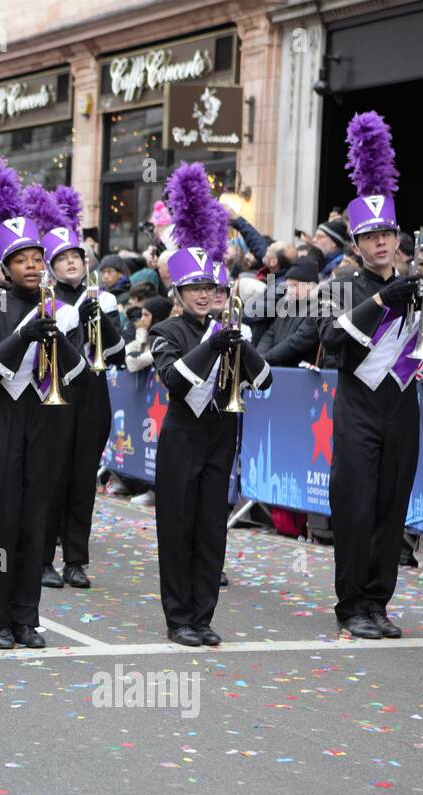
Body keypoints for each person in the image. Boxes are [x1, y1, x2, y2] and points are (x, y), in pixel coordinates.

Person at [318, 112, 423, 640]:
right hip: (358, 411)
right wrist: (380, 301)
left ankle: (378, 601)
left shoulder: (413, 286)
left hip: (401, 409)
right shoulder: (342, 286)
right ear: (356, 243)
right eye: (370, 236)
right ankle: (350, 603)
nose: (381, 243)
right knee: (356, 507)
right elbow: (331, 345)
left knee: (390, 505)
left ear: (398, 239)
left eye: (388, 235)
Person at [0, 148, 84, 648]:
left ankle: (27, 616)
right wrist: (26, 334)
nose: (33, 267)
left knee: (36, 524)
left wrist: (59, 332)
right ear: (5, 266)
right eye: (23, 261)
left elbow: (75, 369)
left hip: (45, 422)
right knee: (3, 526)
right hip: (0, 424)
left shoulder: (56, 306)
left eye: (38, 260)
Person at [150, 163, 272, 647]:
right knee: (177, 531)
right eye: (196, 289)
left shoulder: (230, 328)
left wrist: (241, 344)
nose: (206, 295)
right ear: (179, 293)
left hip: (221, 438)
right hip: (181, 441)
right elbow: (175, 381)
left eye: (212, 289)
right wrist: (214, 344)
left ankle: (203, 616)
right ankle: (178, 617)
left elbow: (263, 382)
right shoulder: (166, 331)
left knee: (210, 532)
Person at [39, 210, 124, 590]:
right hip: (56, 394)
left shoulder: (103, 299)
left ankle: (76, 560)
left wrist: (100, 321)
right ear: (52, 266)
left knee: (82, 481)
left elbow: (119, 352)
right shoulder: (46, 300)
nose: (71, 262)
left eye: (75, 255)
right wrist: (71, 319)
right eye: (62, 258)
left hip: (93, 394)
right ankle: (43, 559)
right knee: (51, 478)